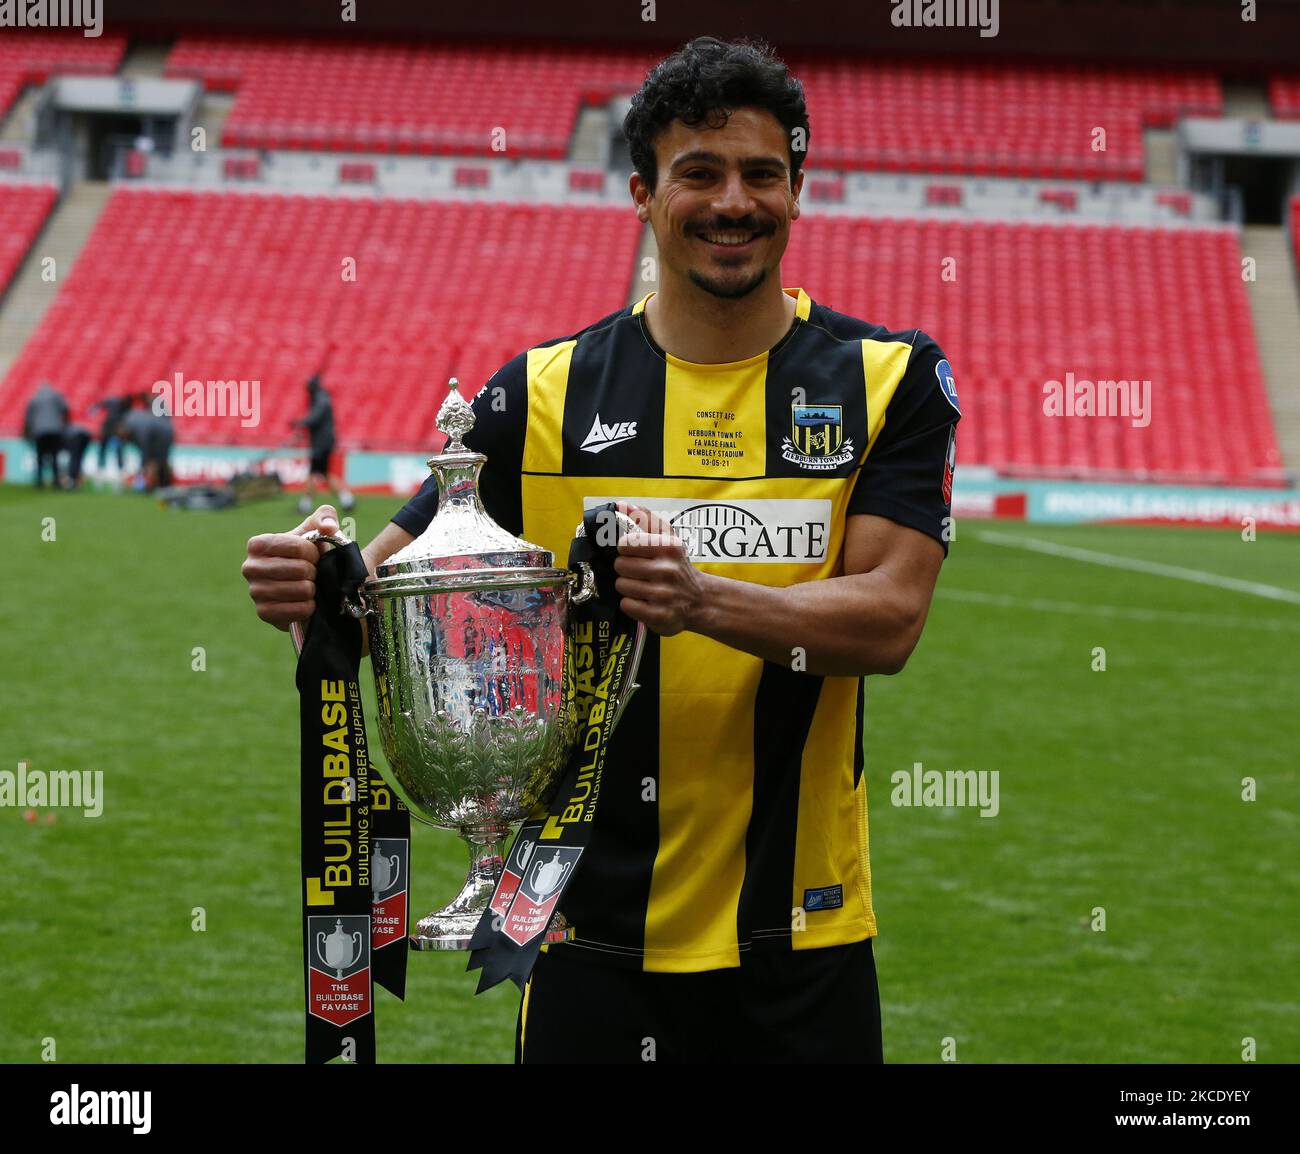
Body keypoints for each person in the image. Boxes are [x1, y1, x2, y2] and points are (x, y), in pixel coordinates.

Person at [243, 37, 960, 1063]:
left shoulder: (886, 379)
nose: (732, 200)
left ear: (798, 189)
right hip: (576, 928)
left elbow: (889, 619)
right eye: (698, 173)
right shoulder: (539, 395)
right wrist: (308, 579)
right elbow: (382, 605)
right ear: (641, 191)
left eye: (762, 172)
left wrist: (697, 596)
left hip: (800, 933)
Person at [292, 373, 353, 515]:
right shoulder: (322, 398)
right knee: (325, 474)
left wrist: (301, 423)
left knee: (314, 474)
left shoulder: (321, 399)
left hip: (321, 444)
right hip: (323, 442)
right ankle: (347, 500)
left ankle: (305, 505)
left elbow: (315, 418)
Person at [119, 398, 174, 491]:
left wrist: (143, 465)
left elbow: (145, 448)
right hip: (164, 431)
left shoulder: (136, 425)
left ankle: (152, 486)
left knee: (154, 462)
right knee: (159, 461)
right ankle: (162, 485)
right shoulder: (133, 420)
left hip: (161, 434)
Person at [23, 382, 69, 489]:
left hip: (39, 431)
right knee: (54, 457)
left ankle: (39, 481)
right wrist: (64, 423)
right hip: (55, 430)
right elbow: (65, 409)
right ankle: (56, 482)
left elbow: (28, 417)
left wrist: (27, 432)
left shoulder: (34, 398)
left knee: (40, 457)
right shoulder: (56, 396)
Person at [89, 394, 130, 474]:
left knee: (110, 447)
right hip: (115, 426)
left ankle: (102, 467)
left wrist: (92, 410)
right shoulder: (119, 404)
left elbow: (96, 407)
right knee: (114, 447)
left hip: (112, 426)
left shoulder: (112, 401)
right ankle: (118, 468)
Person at [62, 423, 94, 489]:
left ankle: (72, 481)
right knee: (78, 458)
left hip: (77, 435)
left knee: (75, 457)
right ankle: (75, 481)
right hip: (85, 434)